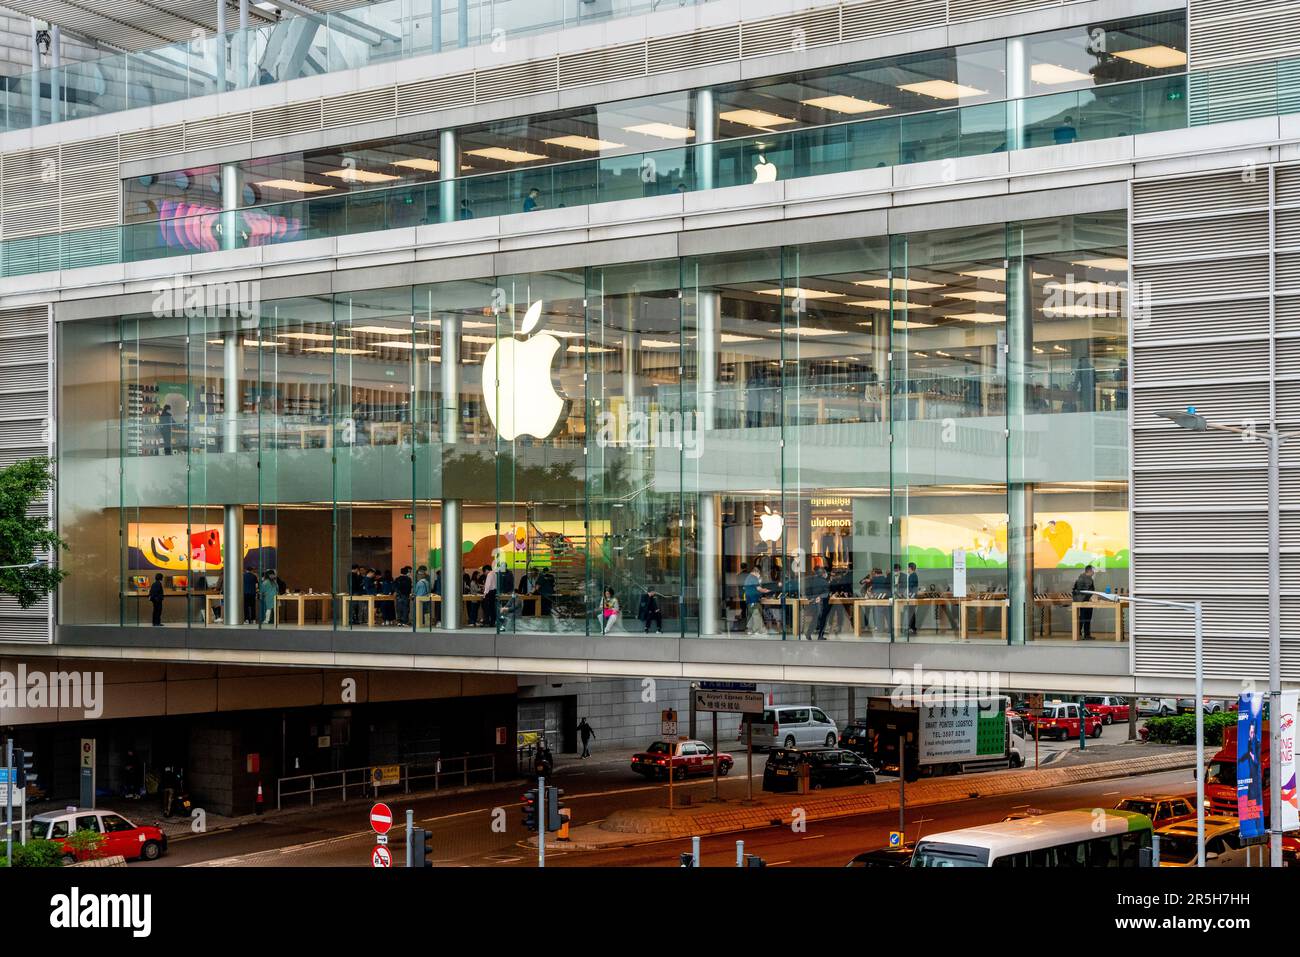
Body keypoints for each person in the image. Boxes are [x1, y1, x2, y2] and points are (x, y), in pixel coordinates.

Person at [805, 565, 831, 640]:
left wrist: (811, 599)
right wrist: (819, 597)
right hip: (822, 603)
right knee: (823, 619)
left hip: (813, 603)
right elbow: (826, 594)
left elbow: (807, 592)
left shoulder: (811, 581)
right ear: (823, 574)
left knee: (815, 619)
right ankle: (820, 635)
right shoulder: (825, 582)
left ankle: (808, 633)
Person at [1072, 564, 1096, 640]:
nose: (1094, 572)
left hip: (1086, 601)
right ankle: (1080, 633)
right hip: (1083, 602)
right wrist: (1086, 598)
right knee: (1083, 618)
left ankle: (1086, 634)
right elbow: (1080, 591)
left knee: (1086, 618)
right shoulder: (1082, 579)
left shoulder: (1088, 579)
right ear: (1089, 571)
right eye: (1093, 571)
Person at [744, 564, 769, 635]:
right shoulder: (754, 578)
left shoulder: (748, 577)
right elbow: (759, 588)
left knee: (751, 615)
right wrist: (766, 590)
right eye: (759, 573)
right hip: (753, 600)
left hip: (749, 600)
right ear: (756, 572)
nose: (759, 575)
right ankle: (758, 630)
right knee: (756, 614)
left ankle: (750, 630)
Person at [906, 561, 921, 636]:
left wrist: (910, 595)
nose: (907, 570)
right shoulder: (913, 575)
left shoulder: (912, 576)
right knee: (912, 613)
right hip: (912, 596)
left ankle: (912, 628)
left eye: (907, 568)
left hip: (912, 597)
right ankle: (912, 628)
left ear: (910, 568)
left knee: (911, 613)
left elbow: (912, 588)